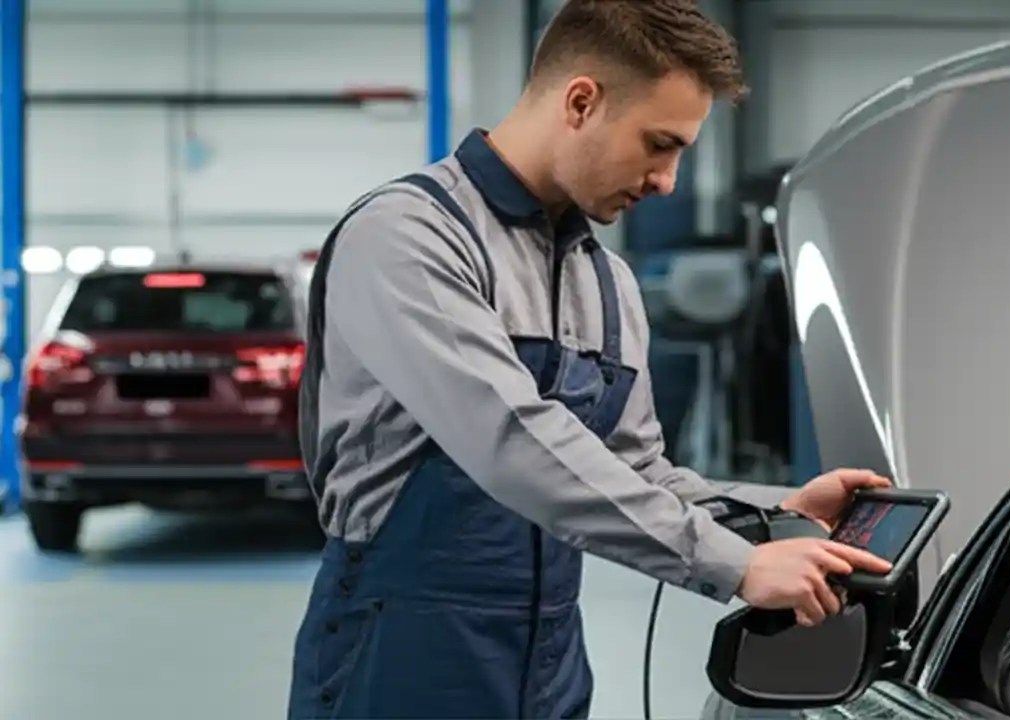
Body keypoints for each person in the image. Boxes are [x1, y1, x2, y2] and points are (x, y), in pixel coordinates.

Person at [286, 1, 893, 718]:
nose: (668, 179)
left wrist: (766, 510)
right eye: (659, 143)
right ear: (581, 101)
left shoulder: (607, 284)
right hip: (400, 647)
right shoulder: (408, 237)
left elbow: (636, 471)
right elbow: (510, 442)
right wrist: (735, 565)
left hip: (547, 654)